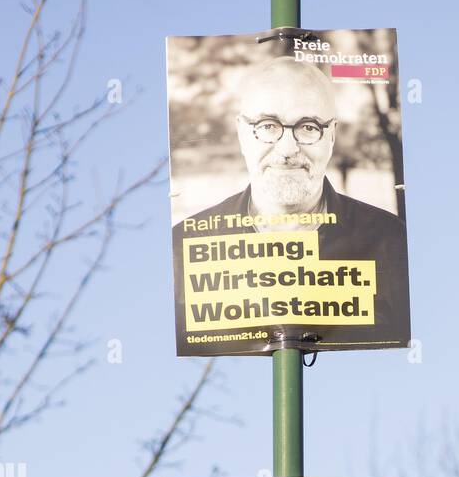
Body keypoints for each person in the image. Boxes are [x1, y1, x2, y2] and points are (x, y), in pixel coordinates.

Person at [171, 55, 409, 350]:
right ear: (242, 133)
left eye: (308, 127)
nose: (287, 149)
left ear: (331, 135)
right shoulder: (183, 248)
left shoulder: (392, 242)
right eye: (268, 125)